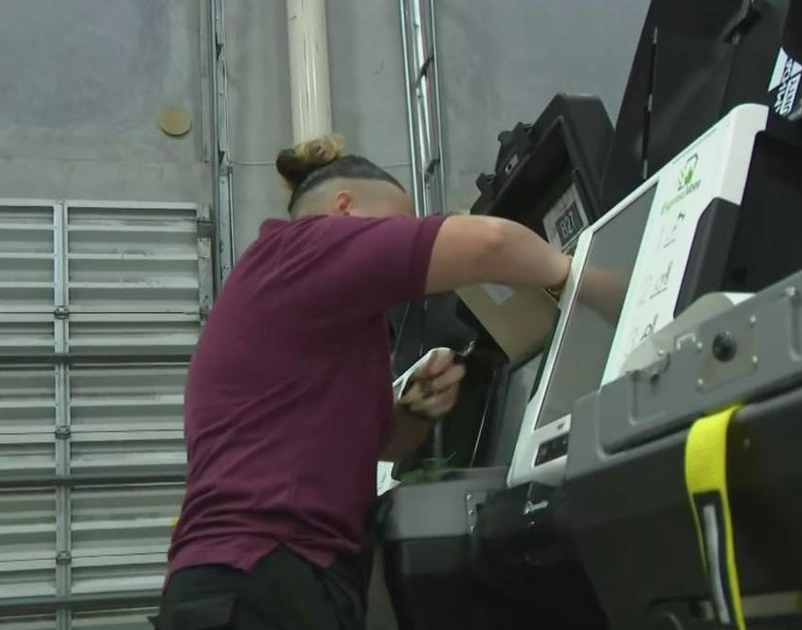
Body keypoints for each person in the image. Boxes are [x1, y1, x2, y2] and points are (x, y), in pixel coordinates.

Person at [151, 135, 573, 630]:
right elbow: (490, 243)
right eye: (396, 228)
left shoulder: (328, 313)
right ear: (344, 209)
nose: (401, 241)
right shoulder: (300, 247)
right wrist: (577, 275)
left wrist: (415, 408)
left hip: (258, 579)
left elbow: (383, 445)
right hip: (261, 575)